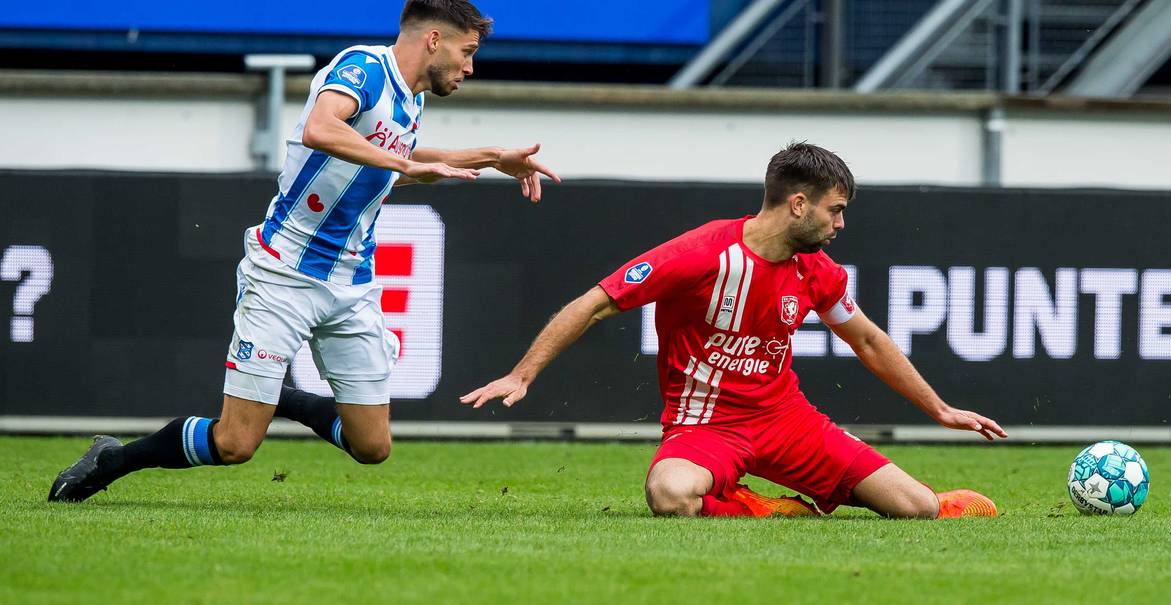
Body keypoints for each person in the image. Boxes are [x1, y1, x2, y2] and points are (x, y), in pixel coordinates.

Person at [49, 0, 560, 502]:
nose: (470, 67)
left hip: (351, 284)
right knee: (235, 444)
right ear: (433, 40)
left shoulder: (411, 99)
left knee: (373, 446)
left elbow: (399, 158)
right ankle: (113, 459)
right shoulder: (364, 68)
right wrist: (404, 167)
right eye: (466, 51)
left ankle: (280, 397)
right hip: (284, 272)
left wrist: (495, 156)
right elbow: (321, 129)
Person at [461, 142, 1006, 519]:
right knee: (670, 495)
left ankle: (939, 503)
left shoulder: (816, 270)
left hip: (788, 422)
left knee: (914, 509)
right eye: (835, 211)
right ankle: (761, 507)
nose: (841, 225)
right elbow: (593, 305)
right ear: (798, 204)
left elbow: (866, 339)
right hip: (705, 428)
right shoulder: (701, 254)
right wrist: (523, 374)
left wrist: (938, 409)